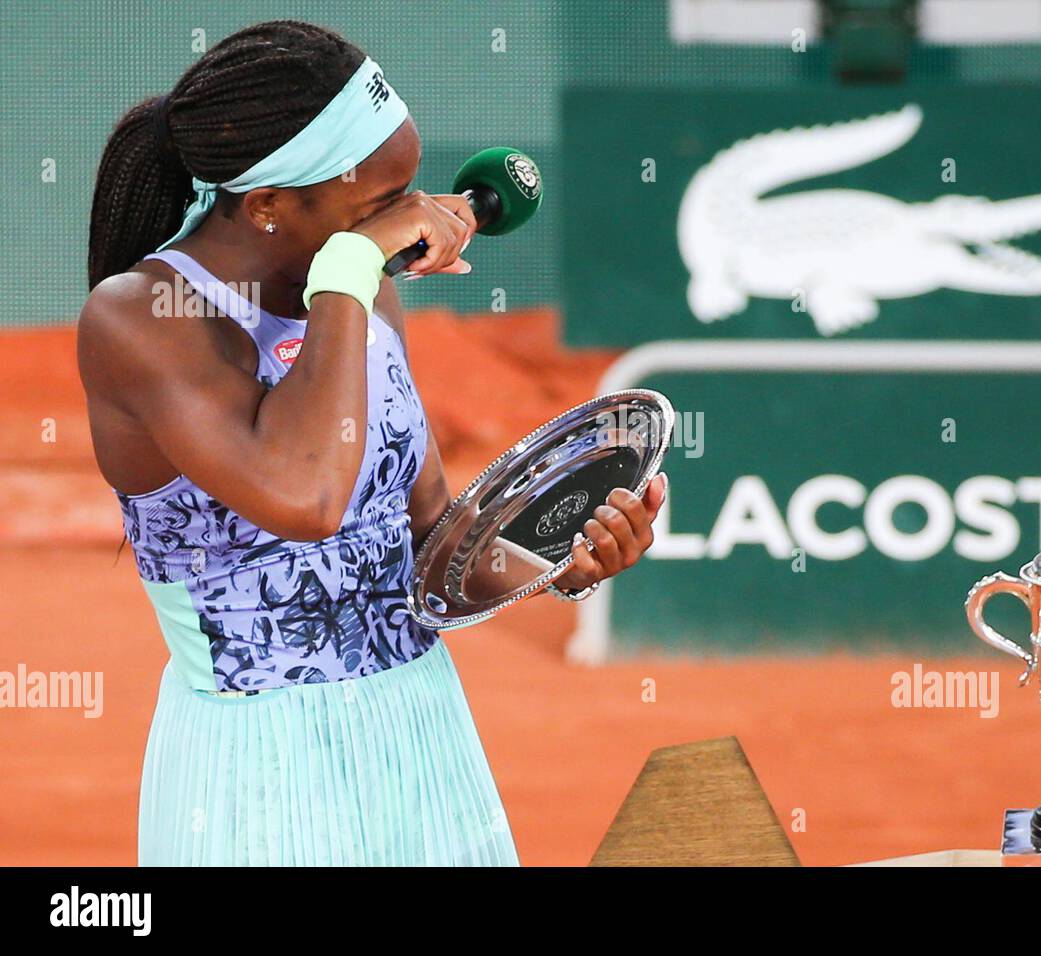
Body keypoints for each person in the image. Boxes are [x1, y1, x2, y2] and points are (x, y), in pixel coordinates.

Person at [77, 20, 665, 866]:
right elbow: (305, 499)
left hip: (423, 739)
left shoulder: (358, 296)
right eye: (376, 206)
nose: (407, 219)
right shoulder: (139, 318)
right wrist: (351, 270)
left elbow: (431, 544)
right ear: (269, 205)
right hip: (254, 775)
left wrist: (560, 557)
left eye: (407, 192)